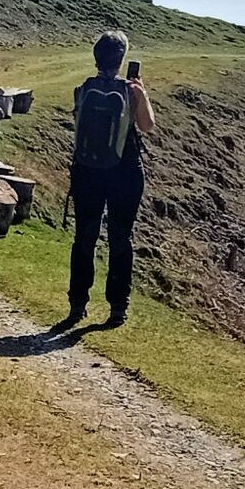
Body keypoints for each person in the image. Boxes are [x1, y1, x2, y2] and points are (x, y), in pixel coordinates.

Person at [63, 29, 153, 328]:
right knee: (120, 237)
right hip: (124, 171)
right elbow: (147, 125)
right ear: (122, 58)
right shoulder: (131, 90)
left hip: (87, 170)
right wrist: (142, 92)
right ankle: (117, 307)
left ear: (96, 57)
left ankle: (77, 304)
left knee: (84, 237)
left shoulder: (83, 88)